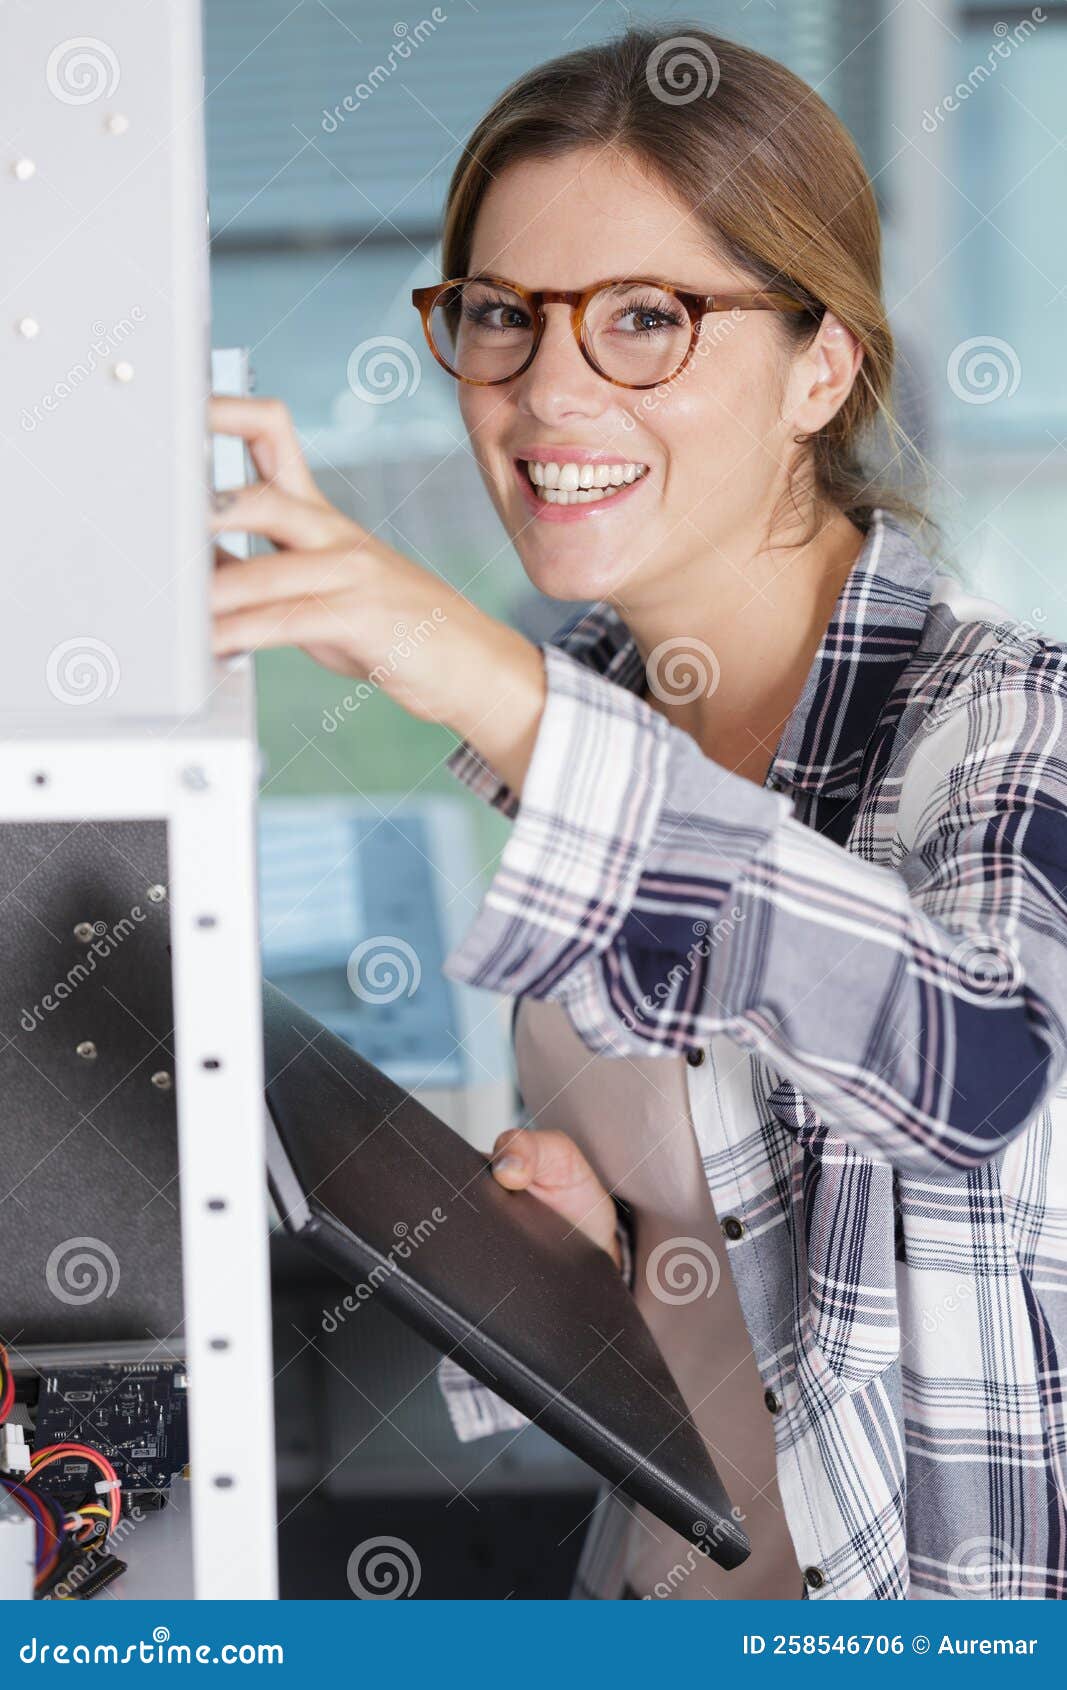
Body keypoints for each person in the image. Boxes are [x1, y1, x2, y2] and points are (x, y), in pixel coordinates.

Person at [210, 27, 1067, 1600]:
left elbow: (983, 1069)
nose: (546, 393)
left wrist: (495, 688)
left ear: (826, 365)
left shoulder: (1009, 721)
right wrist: (598, 1261)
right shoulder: (602, 702)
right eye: (500, 318)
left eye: (647, 321)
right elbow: (753, 1243)